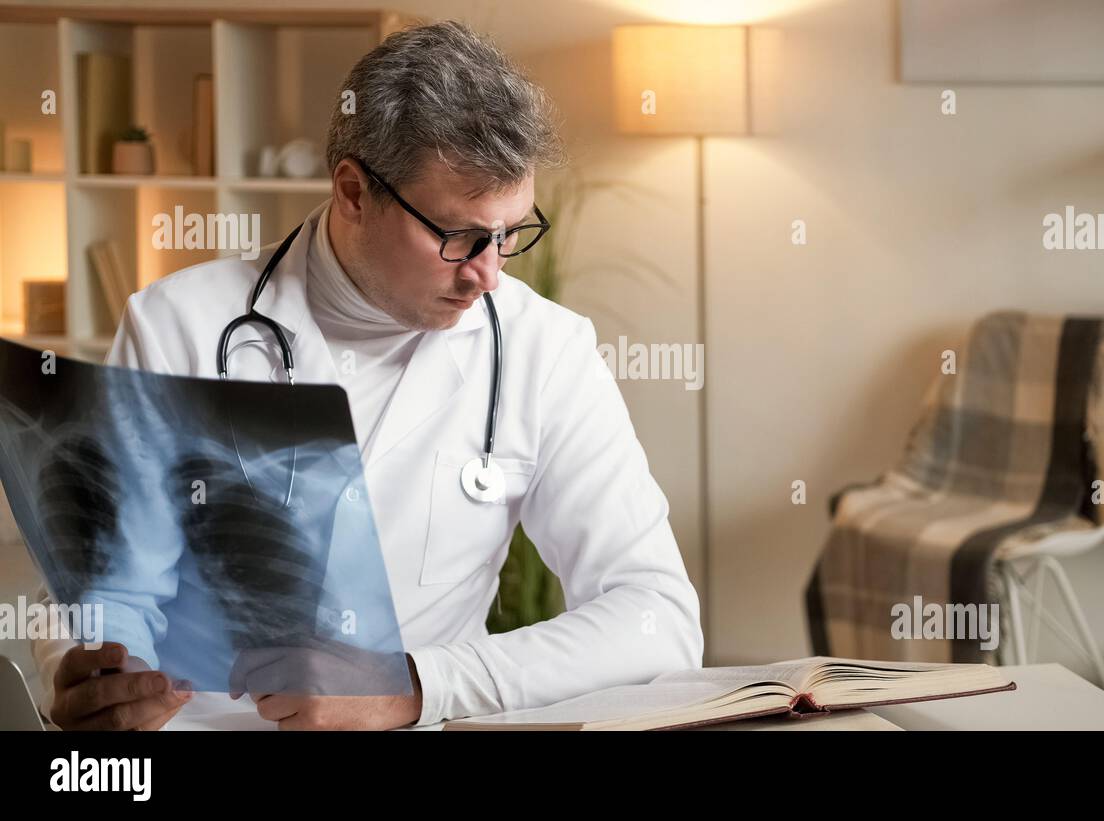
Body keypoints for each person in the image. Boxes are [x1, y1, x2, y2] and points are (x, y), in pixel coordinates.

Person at [32, 21, 703, 730]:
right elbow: (101, 589)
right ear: (354, 191)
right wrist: (88, 670)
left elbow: (658, 617)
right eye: (459, 236)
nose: (489, 274)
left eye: (508, 235)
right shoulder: (178, 324)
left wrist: (412, 685)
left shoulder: (547, 349)